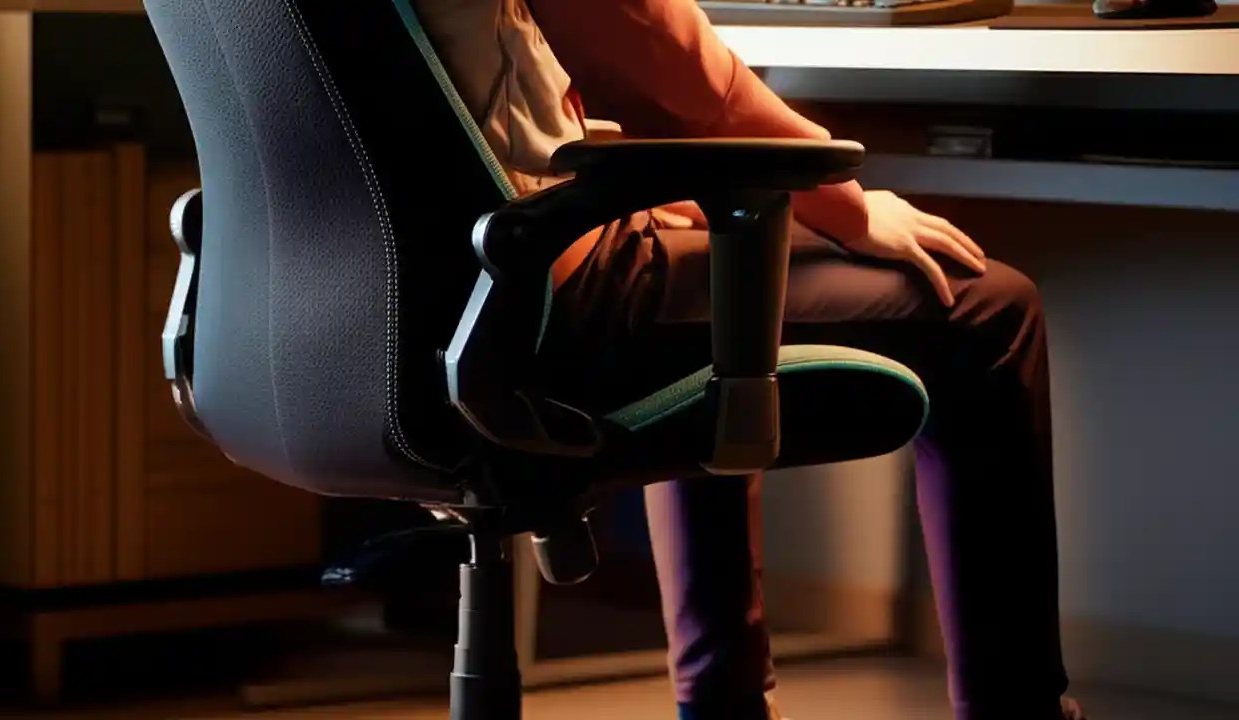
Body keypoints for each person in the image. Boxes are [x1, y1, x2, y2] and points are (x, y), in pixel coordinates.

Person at [411, 1, 1086, 719]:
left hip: (398, 311)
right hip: (540, 303)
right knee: (992, 313)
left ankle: (721, 701)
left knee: (722, 266)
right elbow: (666, 63)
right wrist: (849, 209)